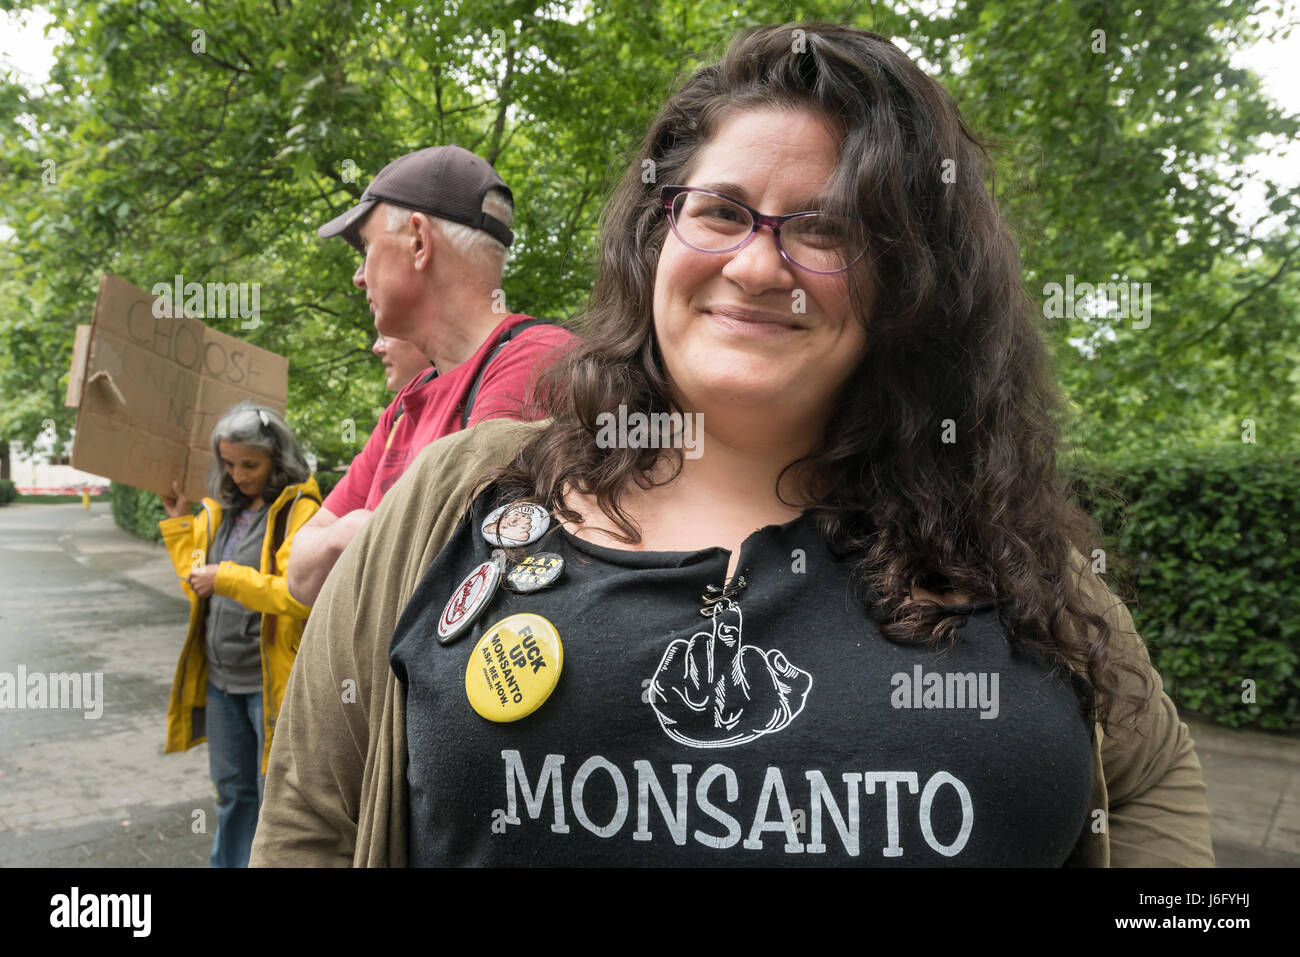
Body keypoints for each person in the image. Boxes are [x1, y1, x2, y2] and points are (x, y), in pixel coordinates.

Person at [251, 23, 1214, 867]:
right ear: (656, 236)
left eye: (829, 230)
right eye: (720, 212)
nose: (757, 265)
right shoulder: (460, 497)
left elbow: (1147, 772)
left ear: (914, 289)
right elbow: (312, 819)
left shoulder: (1005, 541)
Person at [287, 146, 574, 607]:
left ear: (418, 241)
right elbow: (297, 577)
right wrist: (349, 535)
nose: (359, 277)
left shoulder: (534, 362)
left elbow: (459, 570)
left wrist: (361, 535)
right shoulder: (407, 404)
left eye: (365, 249)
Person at [160, 401, 320, 867]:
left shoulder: (300, 511)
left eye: (249, 464)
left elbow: (298, 596)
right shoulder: (218, 512)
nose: (237, 475)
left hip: (269, 685)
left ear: (278, 459)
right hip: (221, 681)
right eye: (228, 464)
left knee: (279, 798)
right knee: (231, 794)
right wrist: (178, 523)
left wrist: (227, 577)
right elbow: (197, 582)